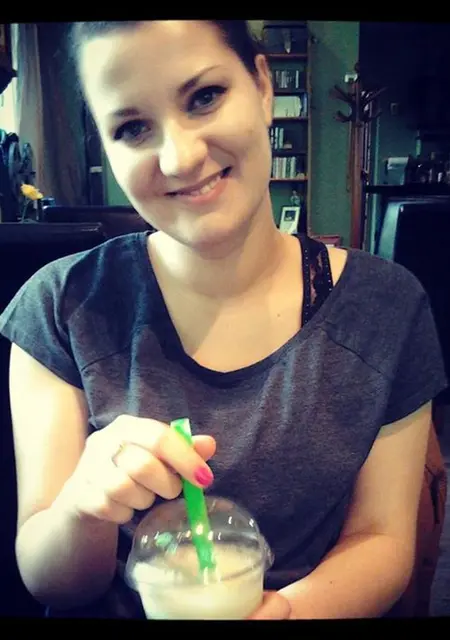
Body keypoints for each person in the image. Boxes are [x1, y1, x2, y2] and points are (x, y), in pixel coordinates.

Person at [0, 20, 447, 620]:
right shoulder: (59, 306)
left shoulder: (386, 306)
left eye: (204, 97)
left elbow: (383, 539)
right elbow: (50, 581)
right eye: (132, 128)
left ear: (262, 86)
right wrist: (83, 508)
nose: (181, 157)